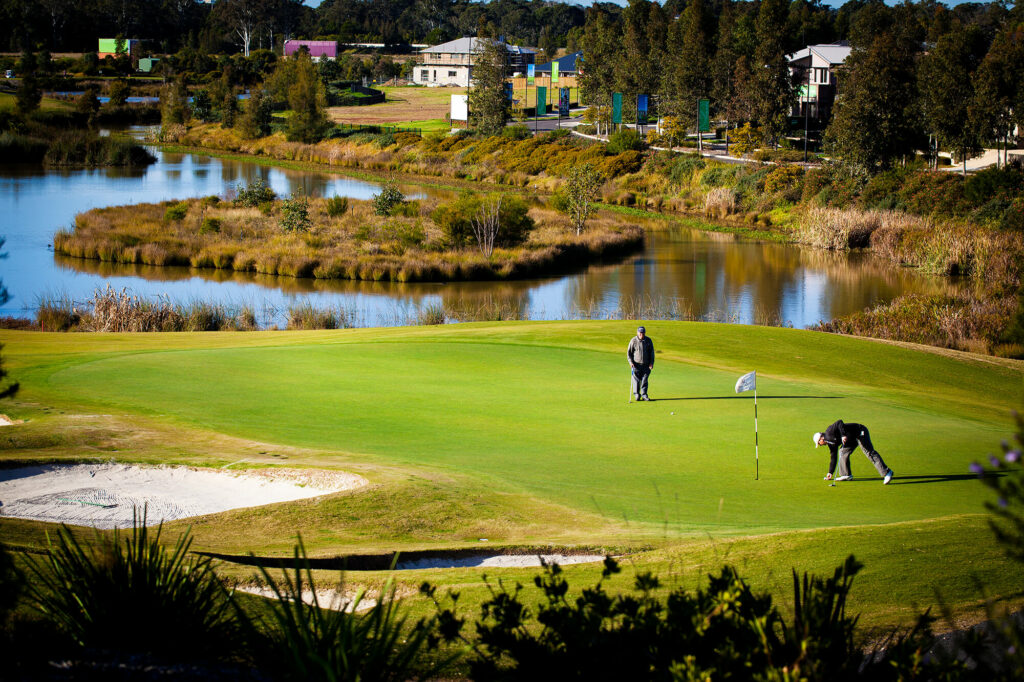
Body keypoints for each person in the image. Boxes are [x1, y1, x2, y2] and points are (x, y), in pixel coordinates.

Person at [814, 420, 894, 485]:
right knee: (842, 452)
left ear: (821, 439)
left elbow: (839, 422)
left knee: (869, 452)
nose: (820, 445)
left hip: (859, 432)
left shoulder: (829, 431)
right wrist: (830, 472)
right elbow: (833, 456)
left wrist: (843, 435)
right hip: (850, 439)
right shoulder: (830, 444)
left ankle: (887, 472)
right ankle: (846, 475)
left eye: (819, 443)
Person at [627, 326, 654, 401]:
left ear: (644, 333)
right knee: (636, 380)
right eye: (640, 333)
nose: (641, 334)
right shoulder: (633, 341)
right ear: (637, 332)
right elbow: (629, 353)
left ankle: (644, 395)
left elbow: (652, 353)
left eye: (642, 333)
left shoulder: (648, 341)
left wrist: (651, 363)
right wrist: (631, 362)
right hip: (636, 365)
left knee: (644, 380)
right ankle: (637, 395)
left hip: (646, 365)